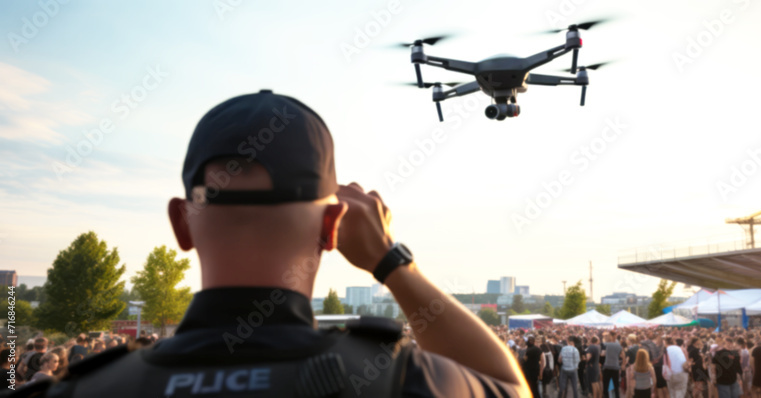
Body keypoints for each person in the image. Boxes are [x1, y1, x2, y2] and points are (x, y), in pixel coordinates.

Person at [10, 90, 530, 397]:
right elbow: (507, 386)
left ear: (181, 225)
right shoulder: (398, 380)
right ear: (332, 229)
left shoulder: (83, 389)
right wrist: (392, 262)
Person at [603, 332, 625, 398]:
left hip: (607, 367)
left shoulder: (606, 344)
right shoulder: (618, 345)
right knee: (616, 386)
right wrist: (623, 364)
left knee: (606, 385)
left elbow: (602, 353)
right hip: (615, 367)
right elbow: (623, 355)